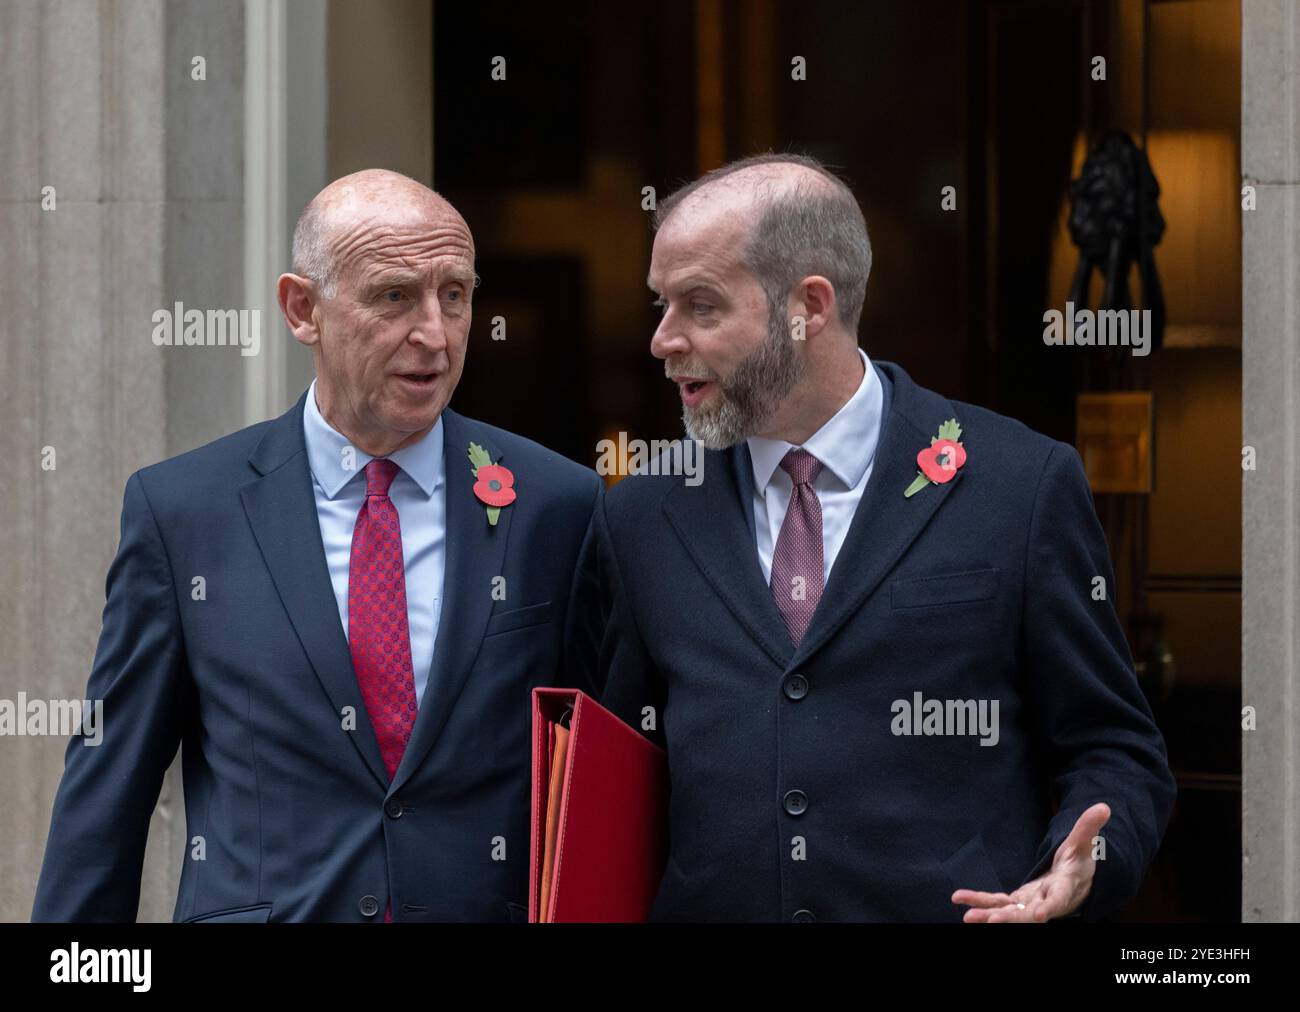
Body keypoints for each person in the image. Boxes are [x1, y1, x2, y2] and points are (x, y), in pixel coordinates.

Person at [566, 153, 1176, 922]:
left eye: (700, 305)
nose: (663, 340)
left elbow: (1116, 750)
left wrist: (1085, 864)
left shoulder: (1020, 486)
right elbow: (612, 786)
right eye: (661, 304)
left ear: (809, 306)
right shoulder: (641, 514)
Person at [33, 169, 600, 922]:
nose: (434, 333)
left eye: (455, 295)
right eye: (395, 295)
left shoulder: (555, 504)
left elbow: (599, 783)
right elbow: (111, 784)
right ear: (303, 309)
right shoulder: (184, 512)